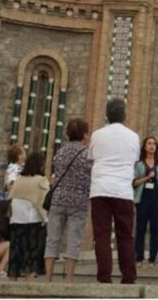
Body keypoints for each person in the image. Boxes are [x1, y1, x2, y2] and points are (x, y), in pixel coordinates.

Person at [88, 98, 140, 284]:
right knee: (125, 234)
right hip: (123, 191)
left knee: (101, 234)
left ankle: (104, 276)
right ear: (124, 115)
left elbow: (91, 158)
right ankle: (128, 276)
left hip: (100, 188)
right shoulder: (133, 137)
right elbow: (134, 160)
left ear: (107, 115)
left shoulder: (97, 135)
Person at [44, 119, 92, 283]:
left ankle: (48, 278)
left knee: (52, 239)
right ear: (84, 135)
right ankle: (69, 279)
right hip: (78, 202)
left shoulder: (61, 152)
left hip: (58, 200)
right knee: (73, 240)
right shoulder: (87, 154)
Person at [8, 151, 49, 281]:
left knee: (15, 257)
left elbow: (11, 199)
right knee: (31, 260)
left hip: (16, 221)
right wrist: (46, 219)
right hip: (33, 222)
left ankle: (11, 285)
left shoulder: (19, 181)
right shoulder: (41, 181)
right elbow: (43, 202)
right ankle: (28, 287)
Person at [133, 136, 158, 268]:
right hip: (142, 197)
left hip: (157, 198)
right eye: (149, 143)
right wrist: (146, 178)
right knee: (140, 228)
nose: (152, 146)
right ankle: (139, 257)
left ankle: (152, 259)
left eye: (154, 144)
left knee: (155, 228)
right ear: (145, 146)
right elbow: (134, 182)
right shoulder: (138, 164)